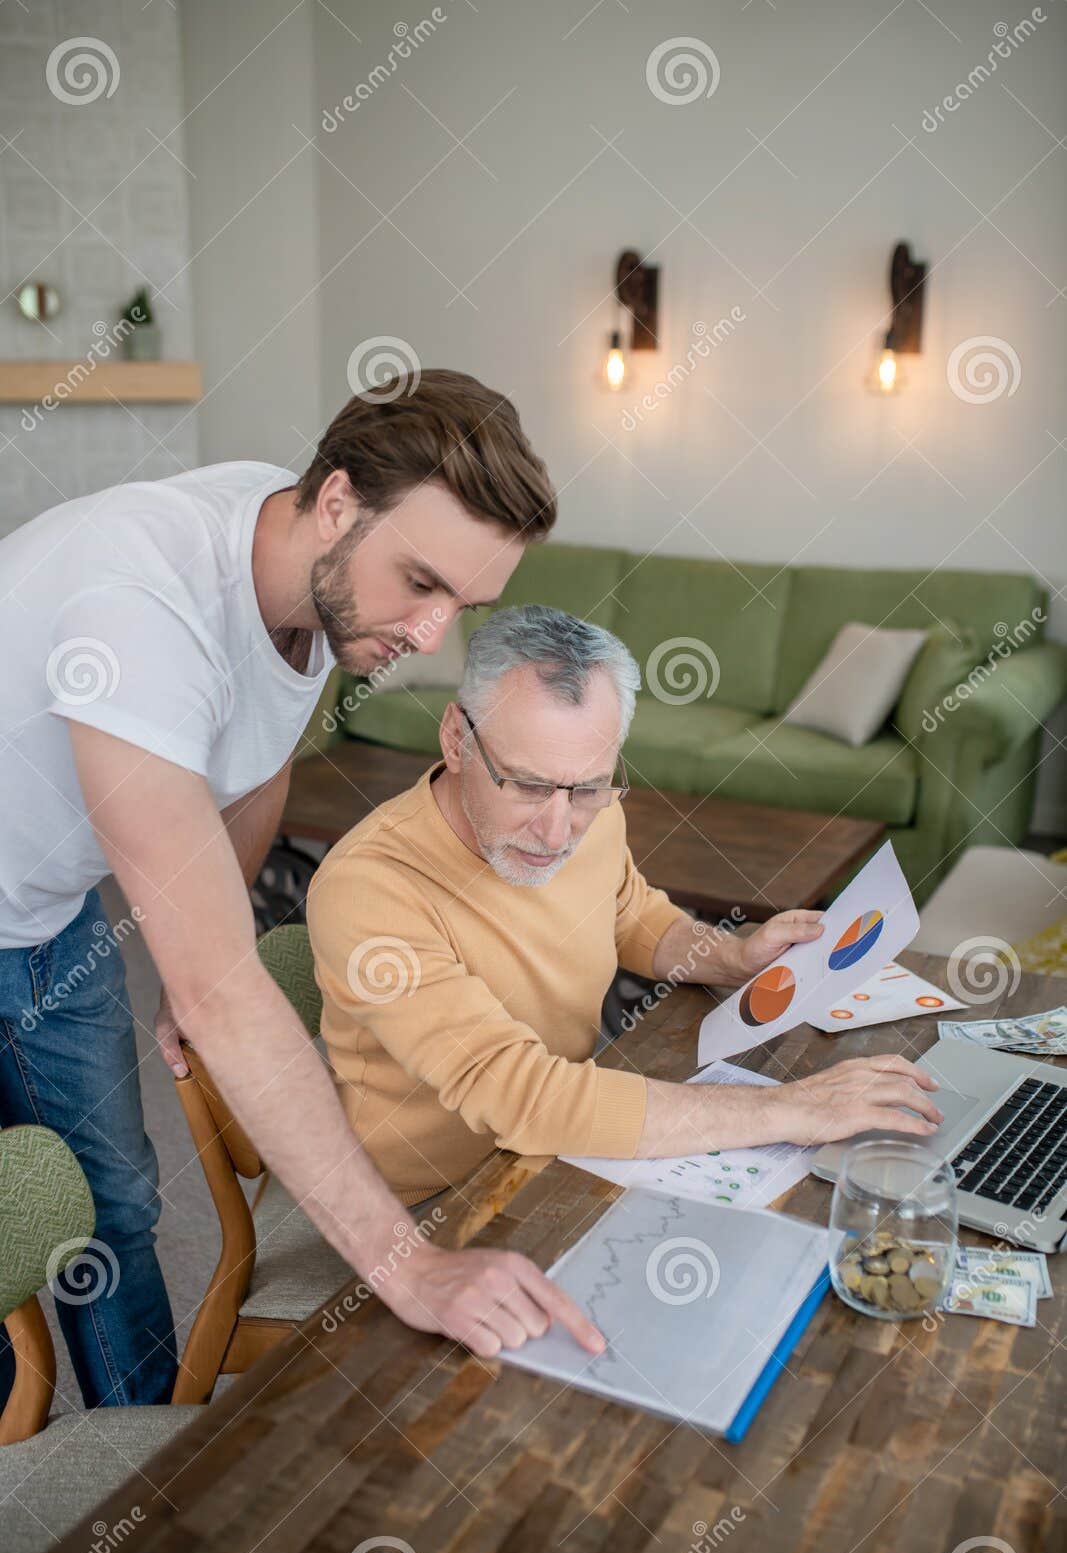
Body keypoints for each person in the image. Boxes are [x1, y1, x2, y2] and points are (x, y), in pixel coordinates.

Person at [0, 371, 603, 1411]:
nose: (429, 635)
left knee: (119, 1201)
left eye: (462, 602)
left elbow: (258, 758)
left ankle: (137, 1471)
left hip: (43, 915)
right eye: (420, 583)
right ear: (335, 501)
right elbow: (231, 993)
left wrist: (201, 939)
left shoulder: (300, 566)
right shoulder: (139, 605)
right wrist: (405, 1266)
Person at [307, 605, 943, 1229]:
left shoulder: (590, 810)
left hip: (558, 1146)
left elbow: (628, 912)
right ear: (455, 737)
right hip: (419, 1205)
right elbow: (517, 1093)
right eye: (526, 785)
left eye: (587, 789)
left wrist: (732, 956)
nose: (557, 830)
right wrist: (787, 1109)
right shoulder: (370, 888)